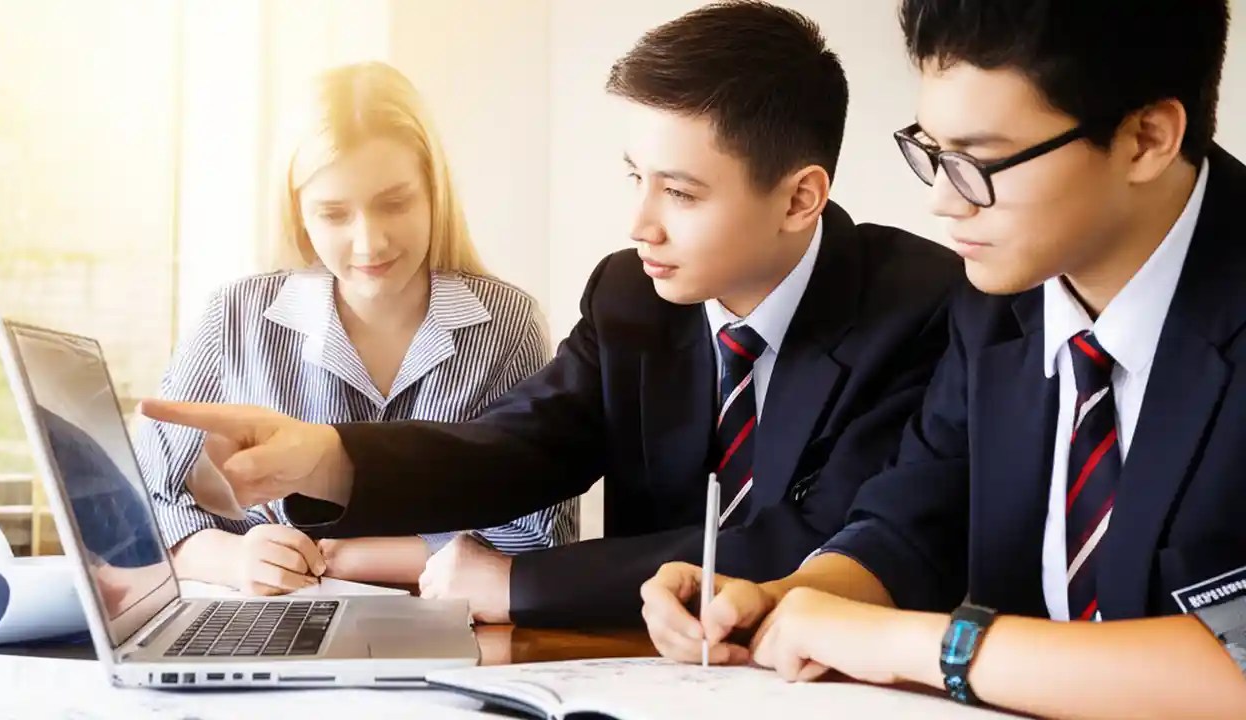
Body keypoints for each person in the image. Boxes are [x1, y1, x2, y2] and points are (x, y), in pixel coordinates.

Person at [140, 1, 963, 625]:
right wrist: (328, 459)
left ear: (800, 198)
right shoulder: (632, 292)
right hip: (648, 669)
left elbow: (816, 539)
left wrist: (517, 583)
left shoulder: (919, 308)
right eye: (634, 176)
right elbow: (518, 447)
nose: (641, 222)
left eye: (678, 192)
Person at [640, 1, 1246, 717]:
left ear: (1145, 138)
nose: (943, 201)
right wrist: (777, 602)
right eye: (932, 151)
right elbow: (912, 522)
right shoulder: (995, 301)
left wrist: (915, 645)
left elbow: (1231, 666)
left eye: (978, 162)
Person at [134, 61, 576, 597]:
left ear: (434, 193)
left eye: (394, 204)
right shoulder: (235, 316)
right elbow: (138, 506)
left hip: (455, 626)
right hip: (280, 622)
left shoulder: (507, 324)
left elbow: (540, 529)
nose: (369, 243)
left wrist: (342, 557)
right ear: (299, 216)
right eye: (334, 214)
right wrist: (236, 558)